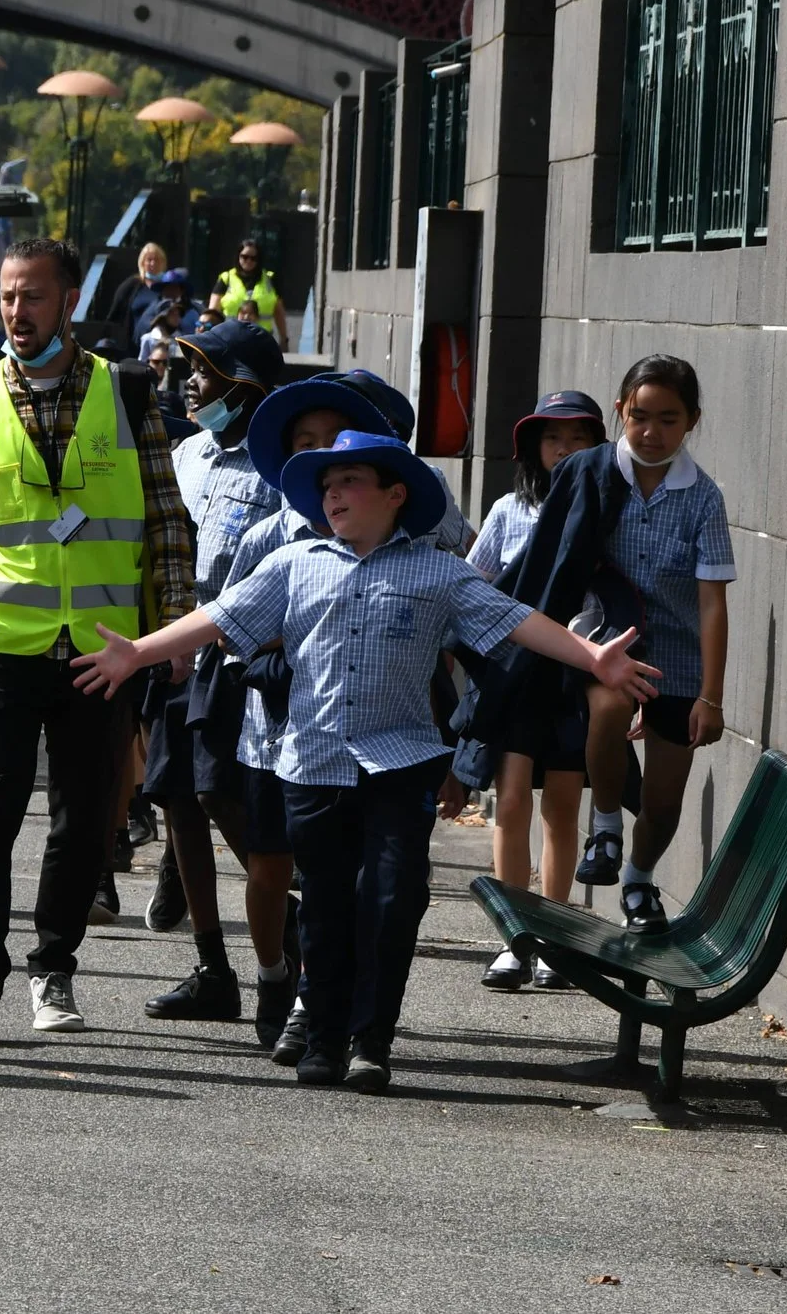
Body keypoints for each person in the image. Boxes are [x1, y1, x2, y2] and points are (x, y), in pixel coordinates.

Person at [73, 430, 657, 1093]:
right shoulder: (295, 563)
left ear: (394, 493)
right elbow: (219, 616)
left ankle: (371, 1041)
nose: (333, 494)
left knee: (389, 898)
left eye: (348, 480)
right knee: (323, 906)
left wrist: (595, 658)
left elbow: (517, 620)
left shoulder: (437, 571)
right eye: (326, 485)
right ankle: (322, 1035)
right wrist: (137, 653)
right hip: (313, 762)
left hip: (400, 761)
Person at [0, 237, 194, 1038]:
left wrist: (175, 629)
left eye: (33, 296)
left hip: (102, 644)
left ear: (67, 300)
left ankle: (54, 969)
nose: (16, 311)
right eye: (7, 296)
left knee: (84, 817)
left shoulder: (129, 390)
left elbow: (164, 516)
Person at [224, 367, 466, 1062]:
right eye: (312, 448)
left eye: (345, 449)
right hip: (288, 737)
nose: (332, 468)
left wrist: (459, 746)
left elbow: (467, 625)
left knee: (387, 889)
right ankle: (299, 998)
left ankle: (346, 1025)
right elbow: (225, 624)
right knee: (305, 882)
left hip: (395, 738)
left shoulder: (427, 536)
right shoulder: (276, 543)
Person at [501, 356, 733, 935]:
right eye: (641, 416)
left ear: (692, 422)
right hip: (605, 635)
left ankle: (637, 873)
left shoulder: (704, 498)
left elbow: (712, 604)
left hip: (677, 655)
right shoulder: (592, 472)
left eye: (669, 420)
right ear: (620, 411)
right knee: (605, 705)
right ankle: (603, 826)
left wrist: (712, 696)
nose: (652, 432)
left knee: (662, 803)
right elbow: (555, 558)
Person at [138, 319, 286, 1032]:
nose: (191, 382)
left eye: (207, 370)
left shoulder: (280, 467)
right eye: (191, 367)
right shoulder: (187, 452)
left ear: (247, 385)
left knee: (222, 794)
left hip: (239, 659)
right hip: (172, 650)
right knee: (177, 802)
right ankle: (211, 965)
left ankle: (282, 921)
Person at [462, 389, 615, 989]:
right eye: (554, 438)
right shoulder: (509, 509)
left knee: (564, 806)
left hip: (575, 675)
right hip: (518, 672)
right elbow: (473, 586)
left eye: (580, 439)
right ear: (533, 447)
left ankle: (558, 938)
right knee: (512, 797)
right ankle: (513, 938)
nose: (566, 449)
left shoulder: (608, 510)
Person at [212, 238, 289, 348]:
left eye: (254, 258)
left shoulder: (270, 279)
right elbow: (213, 312)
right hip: (230, 339)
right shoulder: (226, 278)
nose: (248, 261)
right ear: (238, 256)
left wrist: (284, 339)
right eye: (244, 257)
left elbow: (279, 313)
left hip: (261, 341)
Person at [113, 242, 174, 348]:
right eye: (149, 260)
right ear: (142, 263)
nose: (153, 263)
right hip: (132, 344)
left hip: (161, 344)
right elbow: (116, 314)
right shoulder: (132, 284)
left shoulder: (169, 286)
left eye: (157, 260)